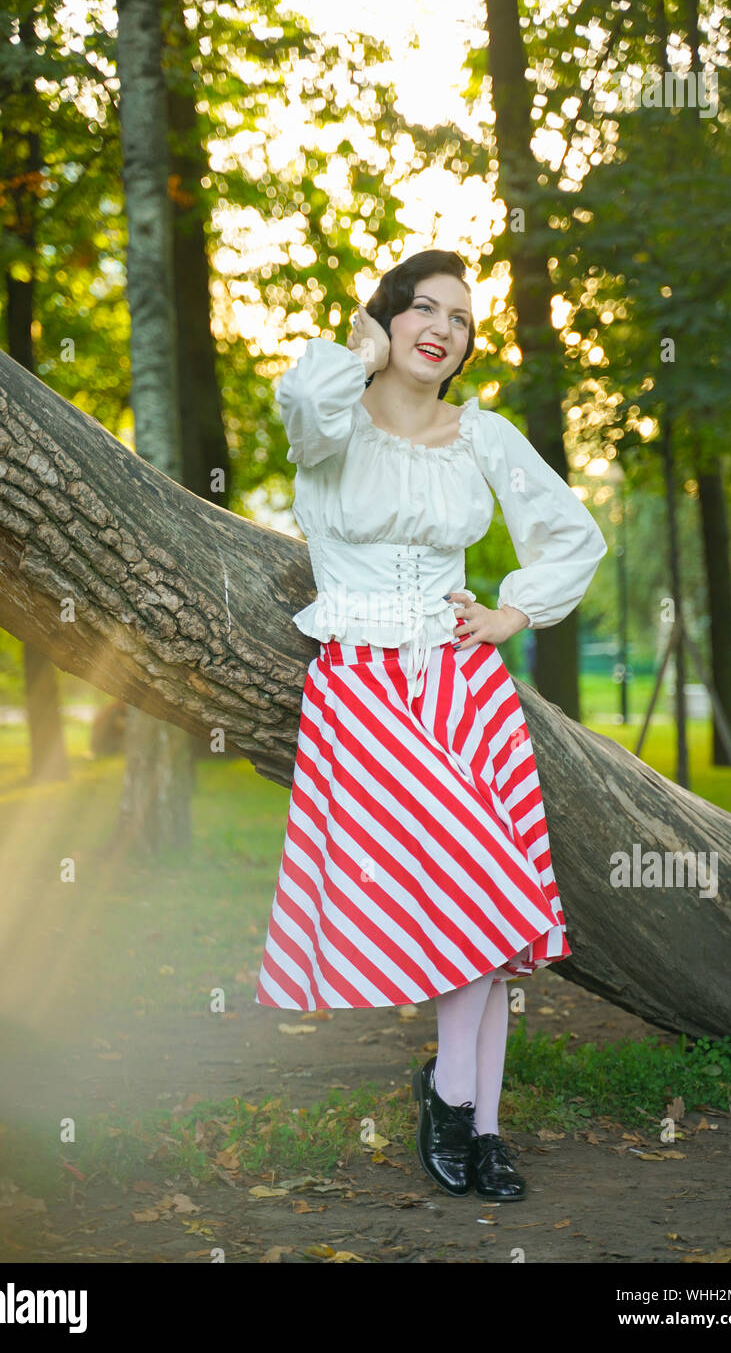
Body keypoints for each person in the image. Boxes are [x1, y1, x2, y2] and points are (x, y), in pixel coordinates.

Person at [254, 249, 607, 1203]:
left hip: (463, 688)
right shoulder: (332, 428)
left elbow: (571, 534)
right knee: (484, 896)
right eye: (420, 308)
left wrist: (510, 613)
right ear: (387, 319)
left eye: (457, 317)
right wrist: (361, 348)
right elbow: (304, 393)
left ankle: (475, 1121)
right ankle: (458, 1106)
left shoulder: (480, 434)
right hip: (364, 687)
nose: (440, 328)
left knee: (493, 918)